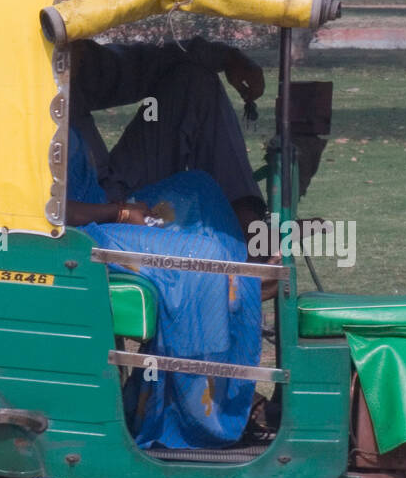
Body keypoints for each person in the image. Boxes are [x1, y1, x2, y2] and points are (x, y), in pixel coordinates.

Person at [66, 128, 263, 450]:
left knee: (199, 187)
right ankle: (197, 417)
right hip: (75, 234)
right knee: (205, 259)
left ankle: (234, 309)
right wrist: (118, 213)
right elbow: (42, 209)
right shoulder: (18, 110)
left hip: (97, 206)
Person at [68, 36, 267, 240]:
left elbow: (141, 64)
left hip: (112, 185)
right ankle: (246, 244)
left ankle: (248, 227)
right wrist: (119, 213)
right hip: (83, 219)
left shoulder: (72, 66)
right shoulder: (34, 96)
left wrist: (227, 57)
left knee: (194, 81)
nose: (80, 48)